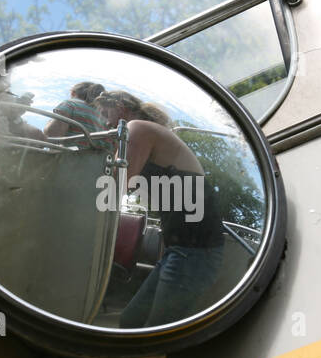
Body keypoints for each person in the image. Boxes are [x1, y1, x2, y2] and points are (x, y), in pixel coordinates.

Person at [93, 89, 225, 328]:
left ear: (121, 106)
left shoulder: (138, 128)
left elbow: (116, 186)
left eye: (105, 113)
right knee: (131, 321)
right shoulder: (150, 135)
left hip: (195, 253)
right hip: (182, 250)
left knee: (157, 332)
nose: (105, 122)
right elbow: (168, 205)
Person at [45, 82, 113, 151]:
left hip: (70, 157)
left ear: (73, 93)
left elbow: (53, 133)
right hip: (98, 160)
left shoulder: (71, 104)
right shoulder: (105, 118)